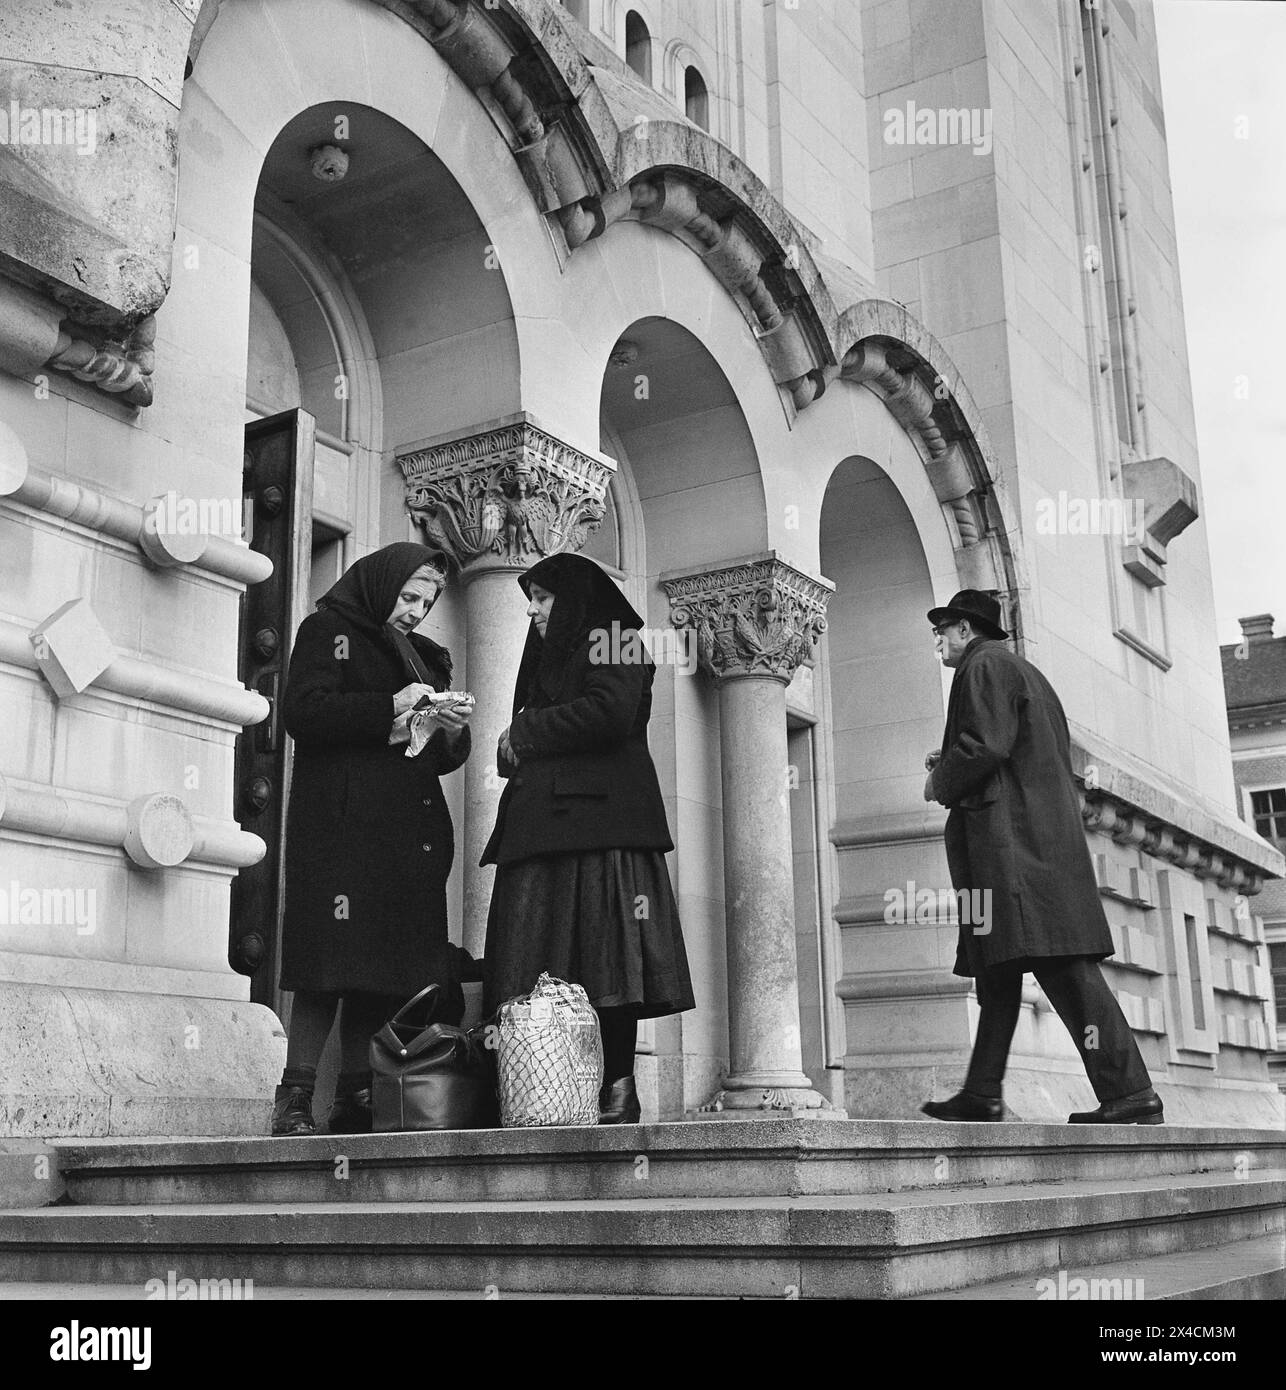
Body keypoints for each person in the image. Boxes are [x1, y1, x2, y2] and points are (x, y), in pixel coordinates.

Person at [919, 589, 1164, 1125]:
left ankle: (1130, 1092)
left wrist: (941, 780)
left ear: (966, 630)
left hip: (1013, 851)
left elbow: (985, 745)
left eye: (943, 629)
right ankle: (982, 1092)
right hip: (1029, 843)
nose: (937, 639)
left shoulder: (982, 666)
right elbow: (1010, 748)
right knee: (1000, 968)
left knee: (1061, 965)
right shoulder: (1021, 673)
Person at [480, 553, 695, 1124]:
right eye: (532, 598)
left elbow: (611, 712)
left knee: (608, 963)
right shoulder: (549, 654)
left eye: (544, 598)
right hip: (546, 831)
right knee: (534, 961)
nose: (533, 610)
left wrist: (522, 733)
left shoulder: (618, 635)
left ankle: (617, 1091)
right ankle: (536, 1092)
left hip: (602, 829)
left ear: (575, 597)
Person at [270, 542, 473, 1136]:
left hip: (405, 834)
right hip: (339, 827)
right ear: (382, 583)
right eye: (409, 596)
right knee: (326, 965)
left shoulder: (426, 657)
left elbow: (435, 758)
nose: (416, 610)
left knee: (379, 967)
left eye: (428, 600)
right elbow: (303, 714)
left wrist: (447, 729)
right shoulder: (327, 630)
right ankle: (295, 1100)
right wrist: (388, 704)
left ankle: (355, 1100)